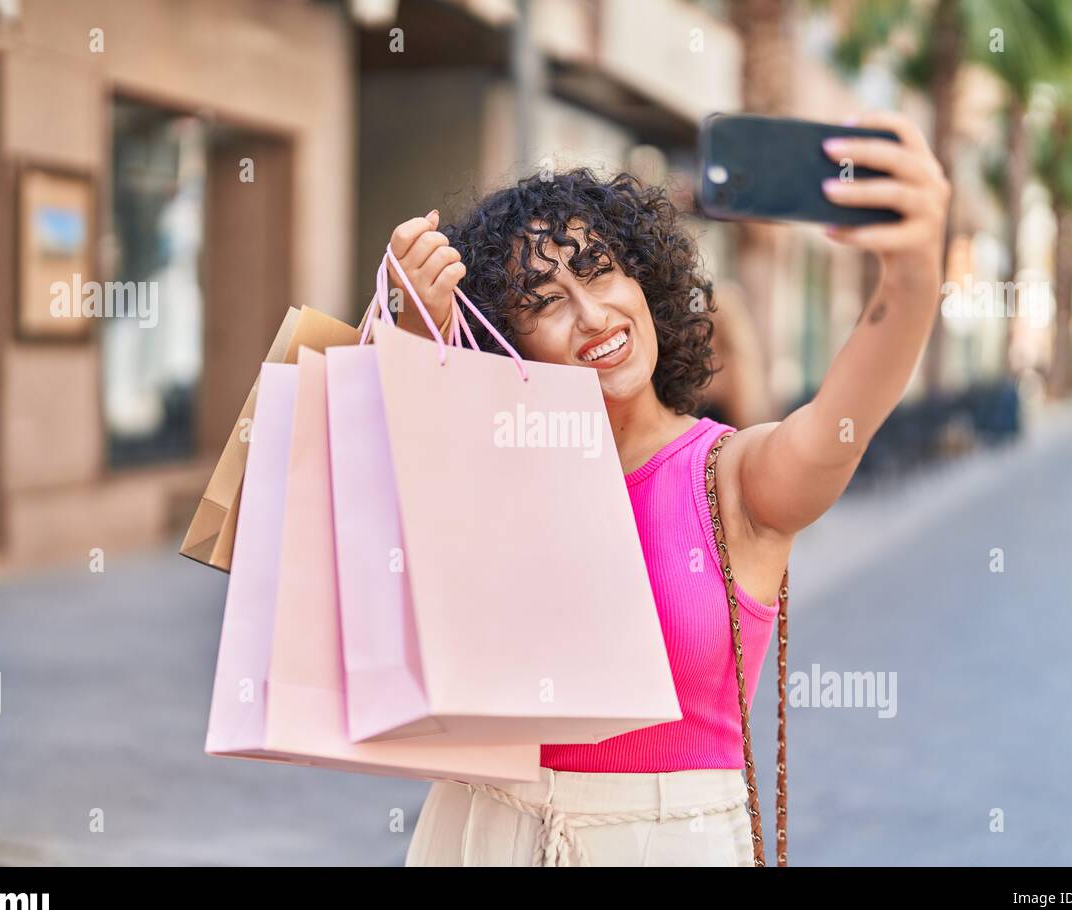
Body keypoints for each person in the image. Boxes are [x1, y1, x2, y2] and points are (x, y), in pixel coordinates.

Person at [383, 112, 949, 866]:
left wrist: (913, 278)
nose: (593, 316)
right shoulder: (494, 475)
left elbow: (843, 416)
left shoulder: (732, 480)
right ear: (507, 343)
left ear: (643, 279)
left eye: (599, 271)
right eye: (545, 301)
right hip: (481, 829)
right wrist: (414, 339)